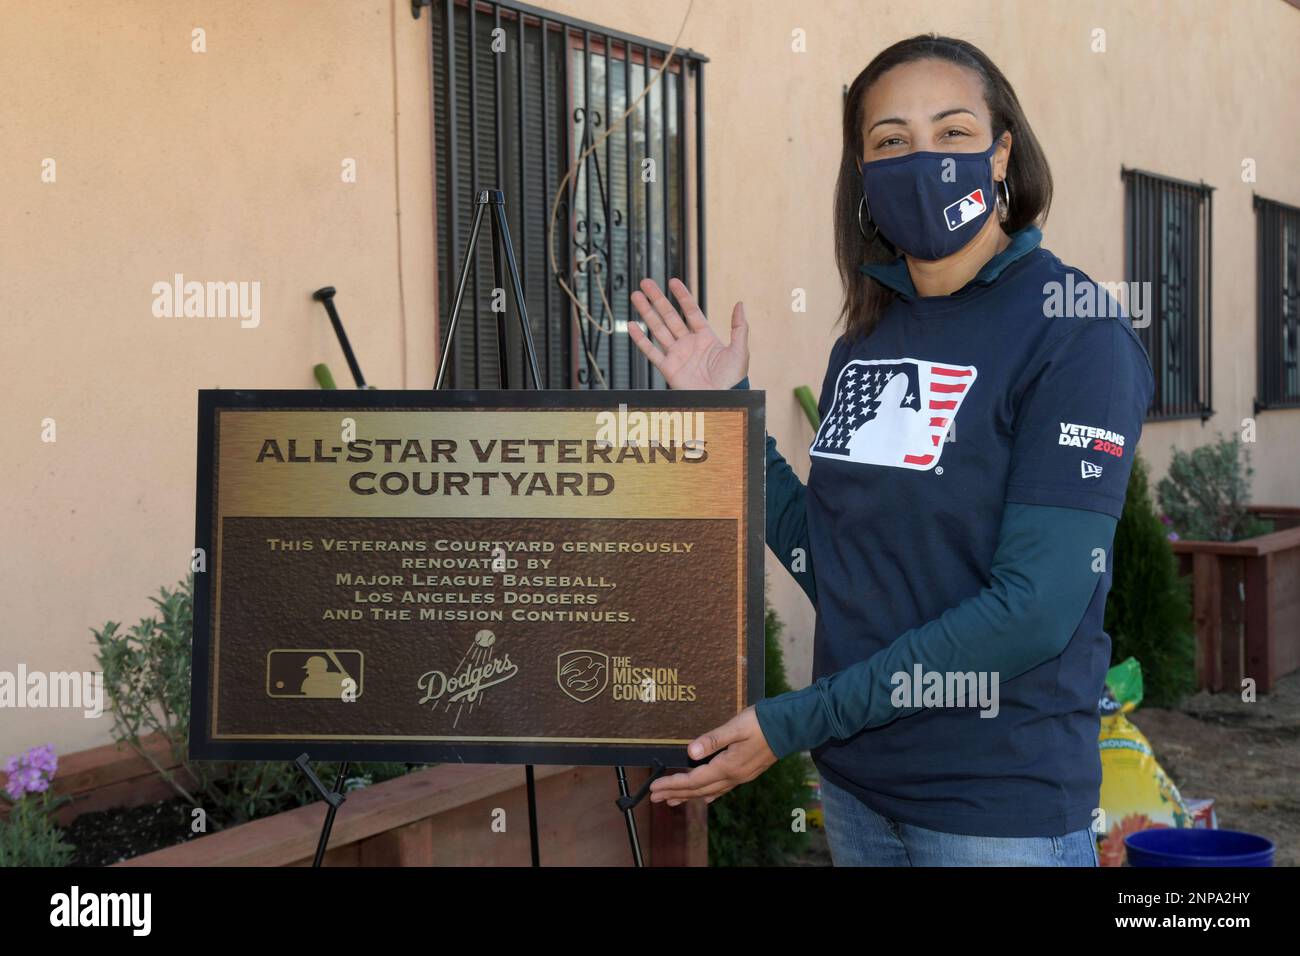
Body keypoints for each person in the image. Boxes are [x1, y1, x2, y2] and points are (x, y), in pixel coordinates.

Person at [626, 34, 1154, 867]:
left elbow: (1035, 610)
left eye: (952, 132)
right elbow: (834, 561)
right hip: (860, 792)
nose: (925, 159)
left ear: (1002, 151)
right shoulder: (869, 341)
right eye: (891, 141)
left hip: (994, 808)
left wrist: (791, 721)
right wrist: (730, 419)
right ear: (864, 175)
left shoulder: (1074, 333)